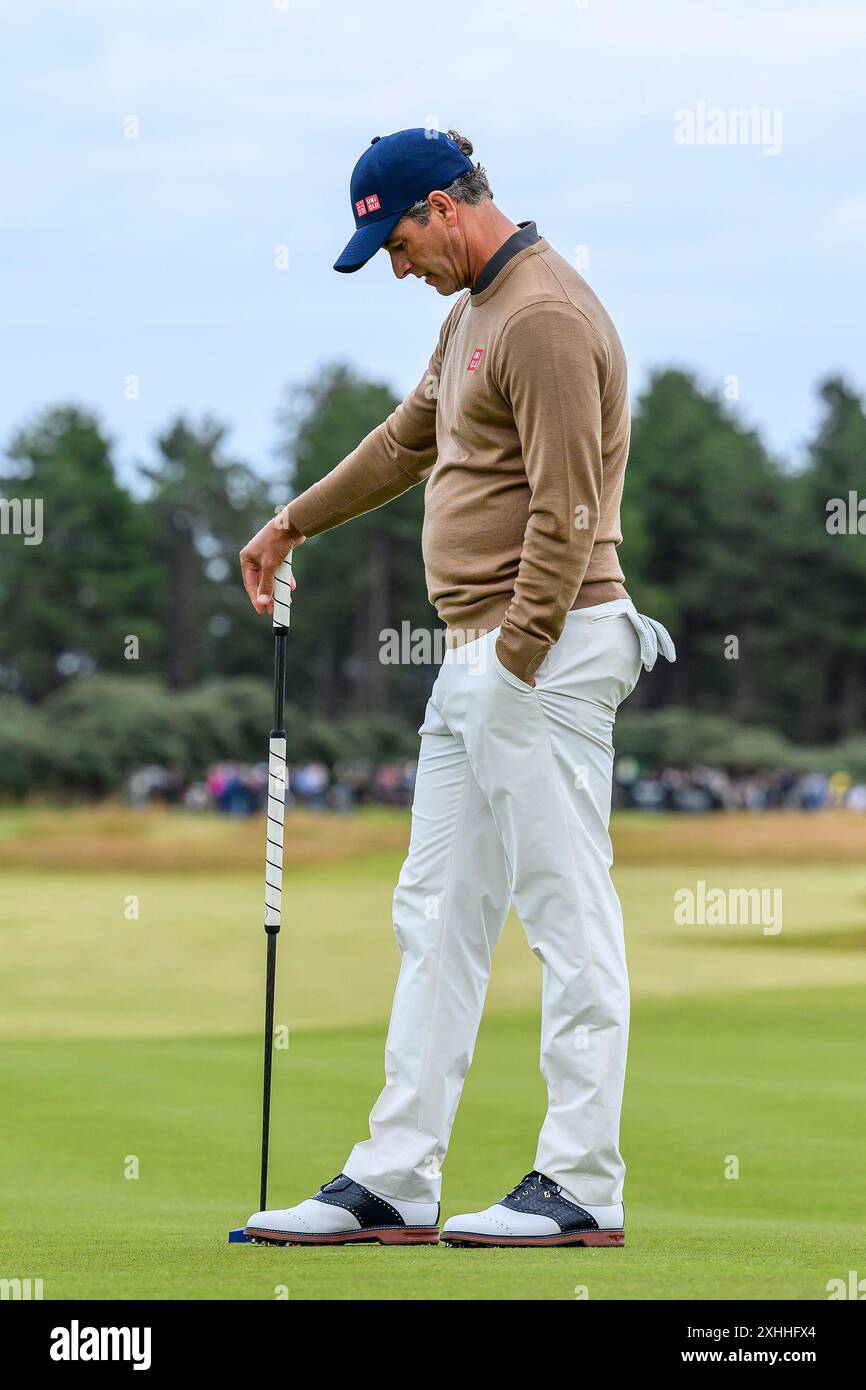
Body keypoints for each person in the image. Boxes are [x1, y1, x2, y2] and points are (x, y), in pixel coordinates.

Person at [238, 128, 674, 1247]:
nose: (393, 262)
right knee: (434, 916)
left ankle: (581, 1182)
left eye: (394, 239)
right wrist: (292, 522)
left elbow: (568, 513)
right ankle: (395, 1178)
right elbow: (404, 443)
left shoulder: (541, 316)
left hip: (546, 651)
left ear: (443, 206)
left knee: (565, 916)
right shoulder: (471, 312)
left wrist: (513, 661)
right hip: (476, 659)